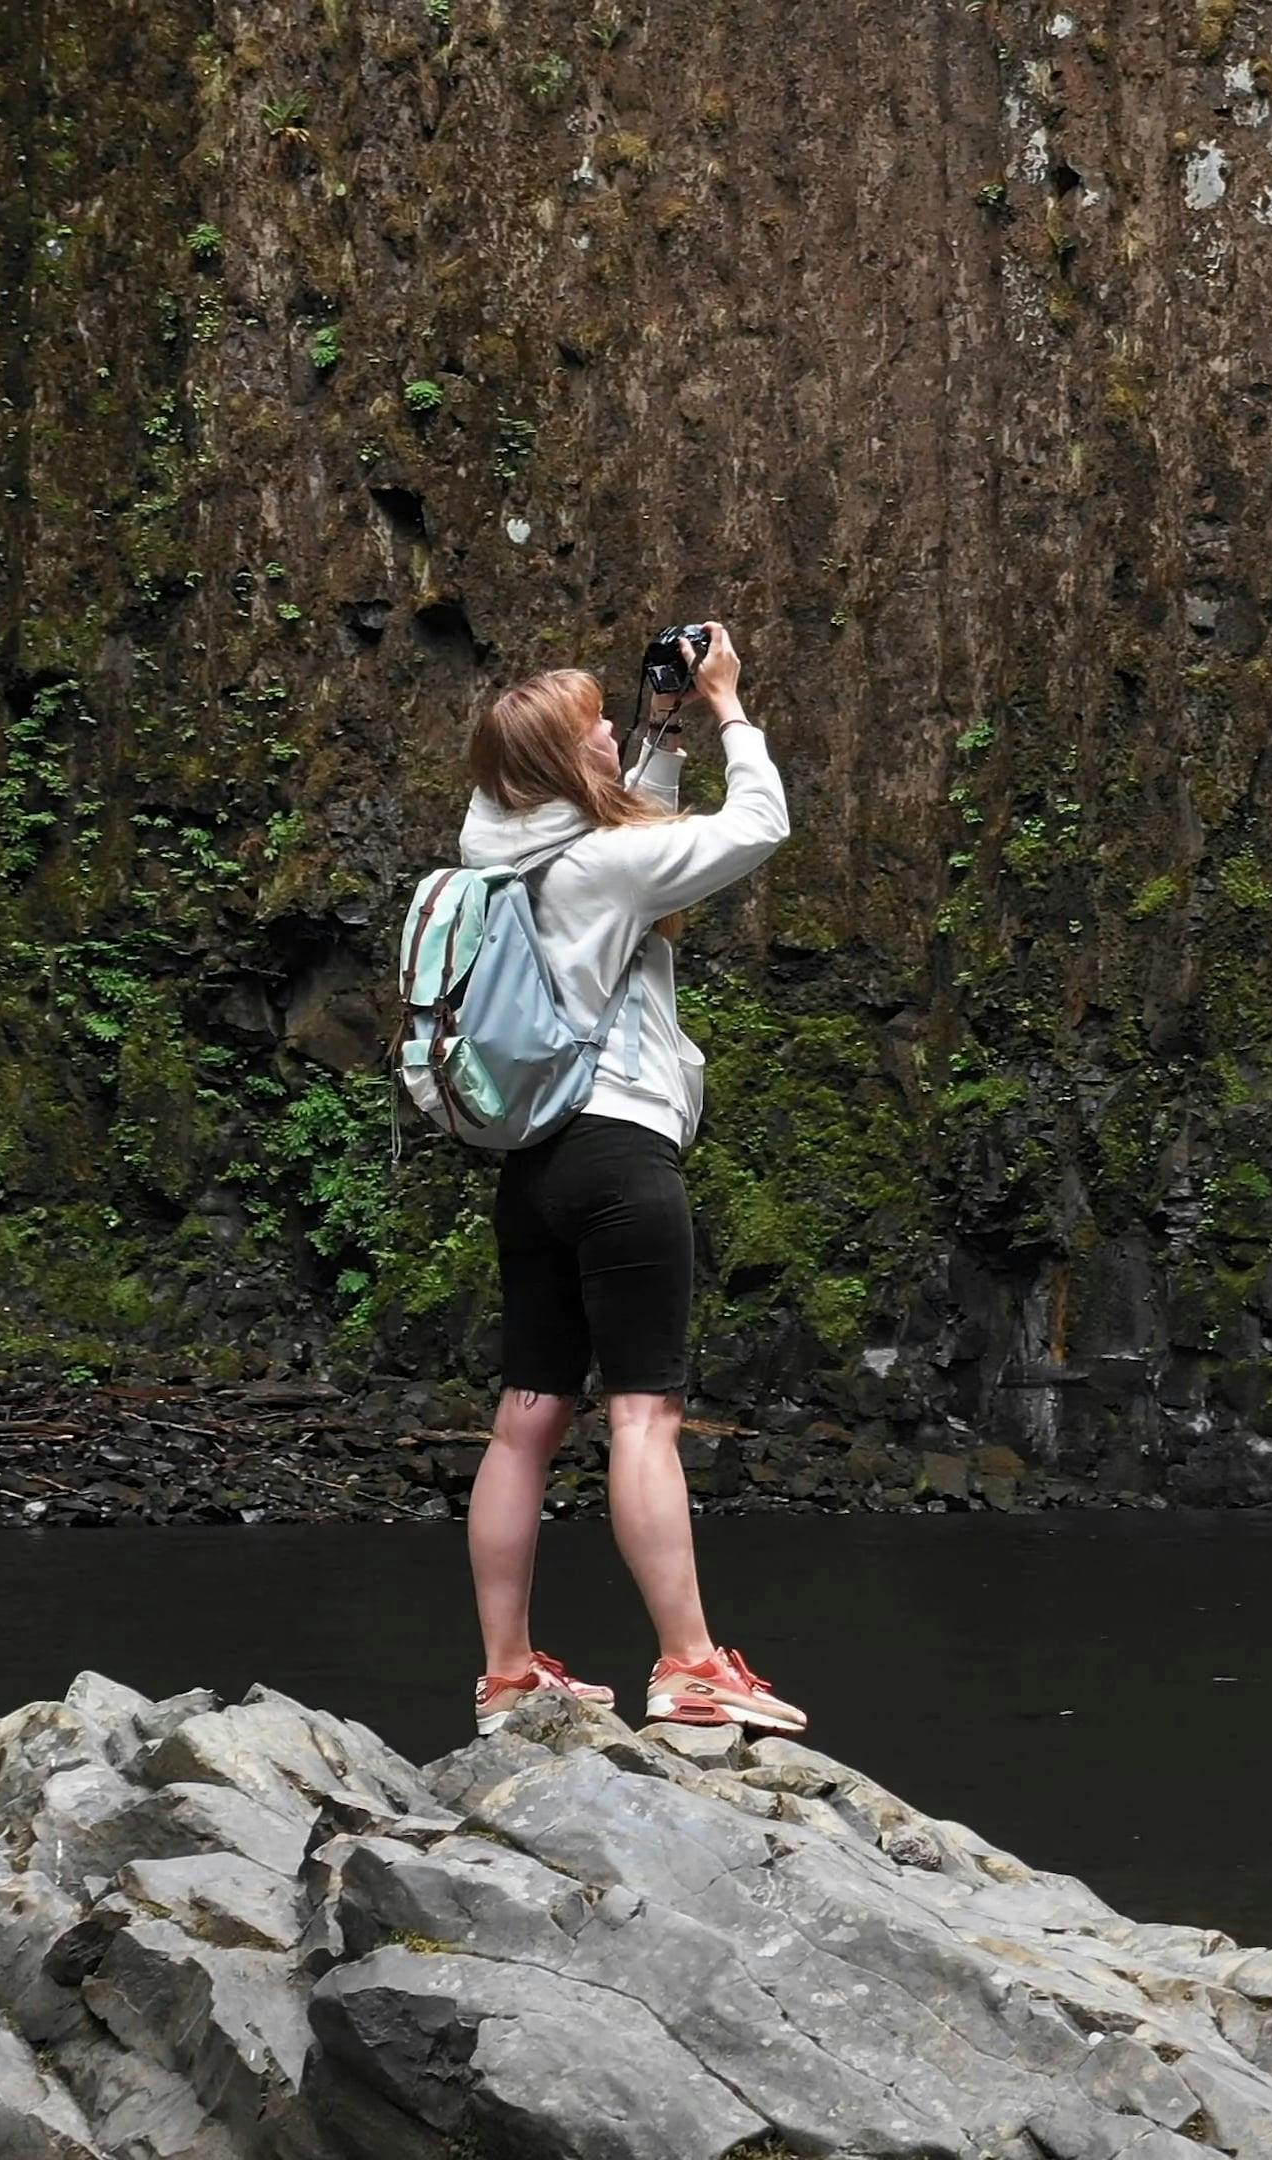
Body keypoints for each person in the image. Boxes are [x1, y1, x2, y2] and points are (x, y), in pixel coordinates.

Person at [453, 621, 807, 1739]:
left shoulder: (497, 851)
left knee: (525, 1422)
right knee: (645, 1414)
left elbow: (614, 832)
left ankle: (507, 1675)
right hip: (619, 1154)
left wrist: (657, 733)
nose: (611, 728)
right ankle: (691, 1664)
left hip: (533, 1165)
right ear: (566, 761)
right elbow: (758, 826)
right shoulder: (605, 866)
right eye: (594, 725)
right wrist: (728, 708)